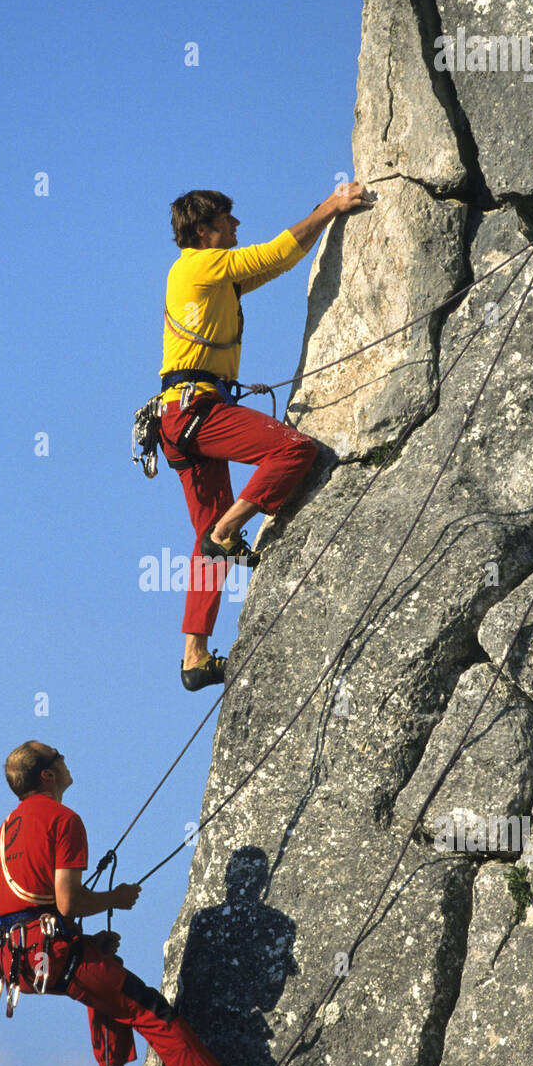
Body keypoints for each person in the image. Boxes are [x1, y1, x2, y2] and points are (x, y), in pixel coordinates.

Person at [160, 182, 373, 691]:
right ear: (203, 230)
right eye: (227, 221)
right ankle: (227, 533)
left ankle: (193, 657)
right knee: (293, 449)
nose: (236, 227)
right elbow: (275, 253)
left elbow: (273, 265)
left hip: (179, 418)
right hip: (198, 408)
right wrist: (330, 207)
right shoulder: (199, 264)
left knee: (204, 537)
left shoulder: (214, 278)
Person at [0, 740, 227, 1066]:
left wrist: (85, 940)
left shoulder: (4, 832)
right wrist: (115, 898)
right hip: (49, 951)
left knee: (101, 978)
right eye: (59, 755)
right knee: (149, 1008)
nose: (67, 758)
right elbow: (69, 902)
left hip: (15, 960)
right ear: (48, 774)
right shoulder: (63, 820)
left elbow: (32, 906)